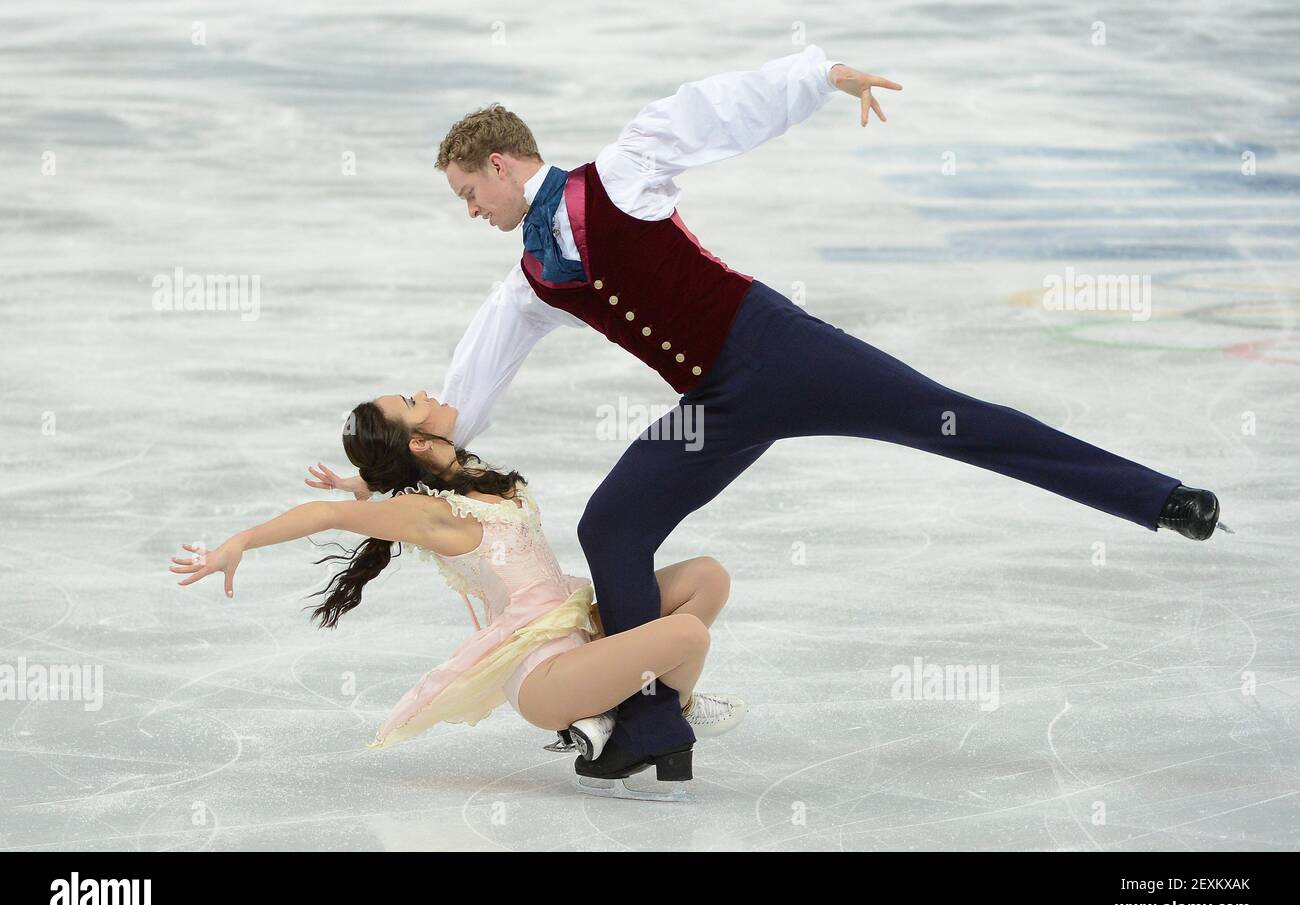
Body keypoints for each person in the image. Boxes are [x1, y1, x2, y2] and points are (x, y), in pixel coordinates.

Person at [330, 43, 1225, 785]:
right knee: (614, 523)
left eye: (468, 194)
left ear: (499, 164)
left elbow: (714, 107)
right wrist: (377, 478)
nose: (472, 212)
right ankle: (651, 724)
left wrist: (821, 78)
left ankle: (1158, 498)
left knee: (955, 418)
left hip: (780, 350)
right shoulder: (532, 282)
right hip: (716, 404)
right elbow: (462, 399)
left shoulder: (625, 170)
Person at [170, 390, 745, 798]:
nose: (426, 392)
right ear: (419, 441)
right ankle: (662, 710)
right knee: (687, 634)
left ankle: (615, 715)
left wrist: (367, 479)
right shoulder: (434, 514)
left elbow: (408, 454)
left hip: (579, 626)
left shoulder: (462, 465)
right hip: (543, 671)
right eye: (413, 403)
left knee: (706, 578)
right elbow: (325, 514)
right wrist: (241, 540)